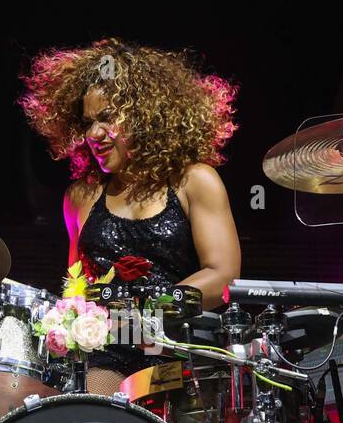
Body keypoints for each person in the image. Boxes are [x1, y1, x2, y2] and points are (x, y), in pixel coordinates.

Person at [20, 38, 242, 395]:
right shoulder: (81, 196)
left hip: (179, 347)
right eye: (88, 122)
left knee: (161, 420)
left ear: (146, 115)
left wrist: (147, 311)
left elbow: (222, 275)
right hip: (108, 353)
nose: (94, 134)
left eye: (106, 118)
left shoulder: (194, 181)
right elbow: (75, 281)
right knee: (88, 415)